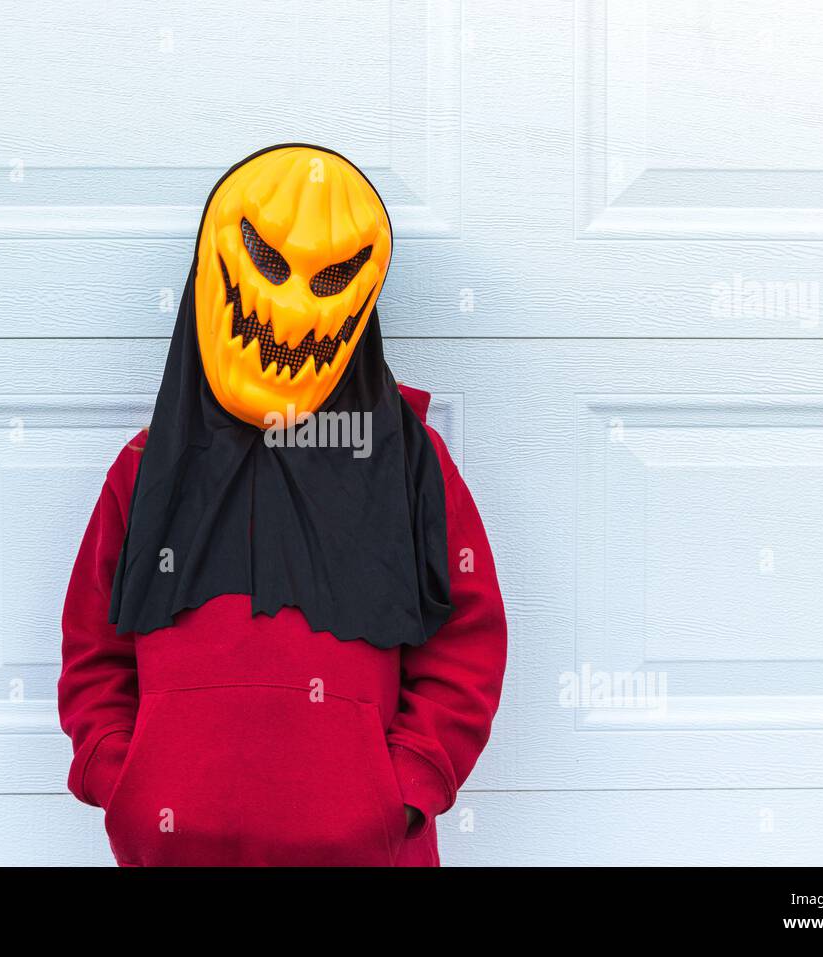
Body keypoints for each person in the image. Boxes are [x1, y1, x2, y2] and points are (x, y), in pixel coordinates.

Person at [58, 144, 506, 866]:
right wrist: (123, 777)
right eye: (269, 262)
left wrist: (403, 789)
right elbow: (92, 649)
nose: (296, 303)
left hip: (364, 852)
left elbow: (468, 641)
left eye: (329, 276)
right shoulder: (145, 470)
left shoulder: (409, 461)